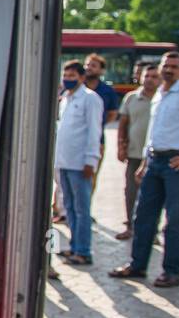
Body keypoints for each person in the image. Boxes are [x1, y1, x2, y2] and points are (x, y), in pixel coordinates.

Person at [109, 51, 179, 288]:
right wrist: (145, 164)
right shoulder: (159, 95)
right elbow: (154, 132)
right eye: (165, 65)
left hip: (175, 163)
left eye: (174, 66)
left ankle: (171, 271)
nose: (168, 70)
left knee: (174, 220)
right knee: (143, 217)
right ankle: (137, 265)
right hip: (153, 161)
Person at [53, 60, 103, 266]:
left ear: (82, 78)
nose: (68, 79)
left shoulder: (90, 99)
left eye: (73, 76)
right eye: (66, 75)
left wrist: (91, 160)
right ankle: (74, 246)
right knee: (69, 208)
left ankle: (83, 250)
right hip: (64, 161)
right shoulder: (66, 98)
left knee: (82, 210)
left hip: (80, 164)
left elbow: (94, 132)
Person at [115, 63, 160, 240]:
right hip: (134, 152)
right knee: (131, 191)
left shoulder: (162, 98)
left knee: (153, 195)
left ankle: (152, 231)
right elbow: (123, 124)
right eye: (146, 76)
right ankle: (130, 226)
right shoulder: (131, 98)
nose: (149, 79)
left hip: (155, 155)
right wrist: (121, 146)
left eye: (154, 76)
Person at [82, 53, 119, 200]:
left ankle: (86, 207)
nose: (89, 68)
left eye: (93, 65)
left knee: (91, 175)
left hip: (97, 140)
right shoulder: (77, 87)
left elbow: (112, 114)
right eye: (87, 64)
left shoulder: (107, 91)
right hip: (74, 139)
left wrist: (96, 126)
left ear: (102, 71)